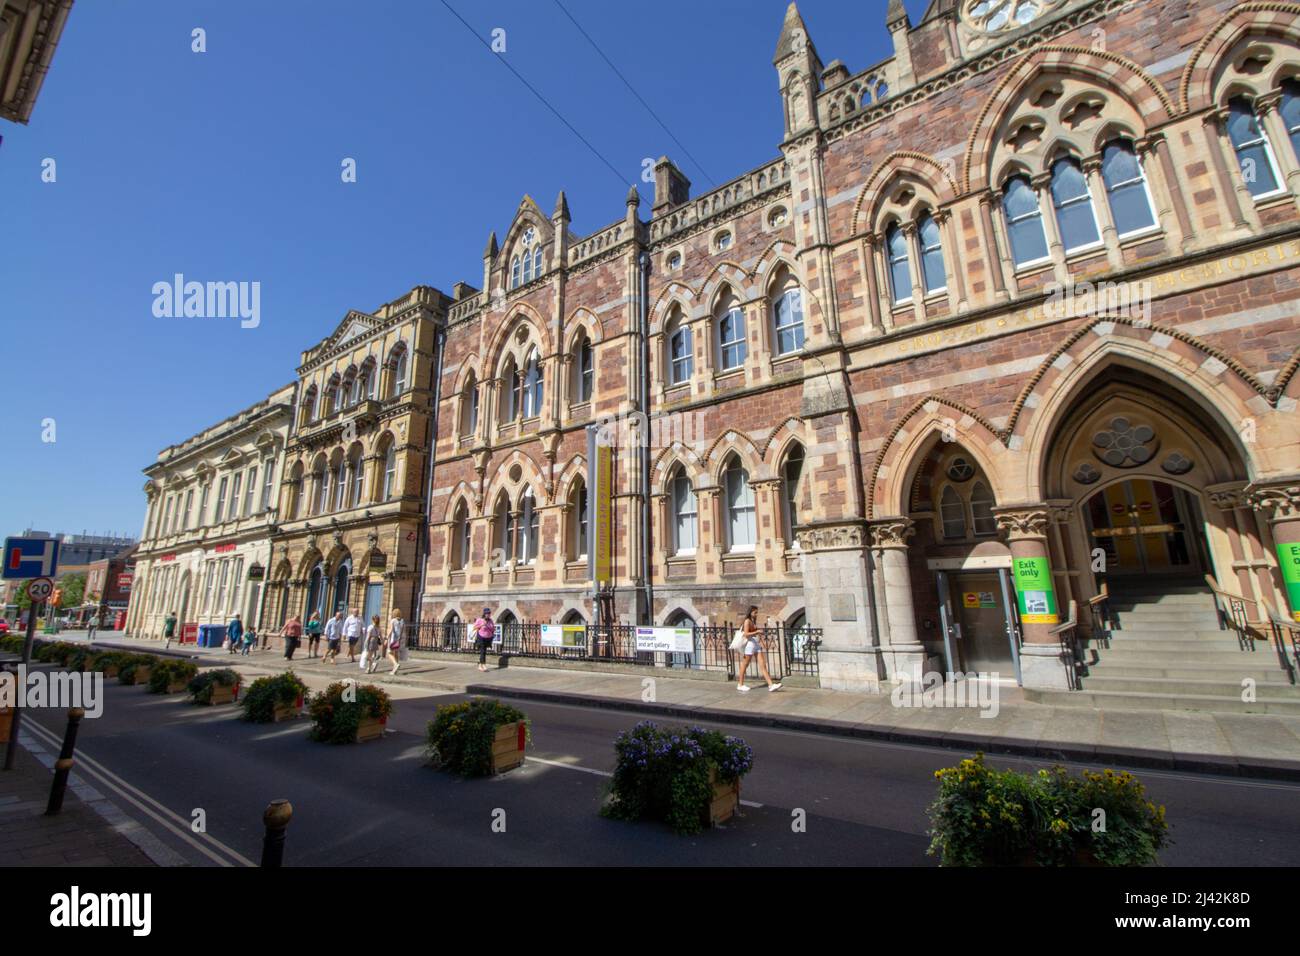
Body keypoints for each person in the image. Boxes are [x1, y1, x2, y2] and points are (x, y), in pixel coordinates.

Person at [735, 605, 781, 693]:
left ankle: (771, 685)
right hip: (749, 645)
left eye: (757, 612)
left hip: (755, 643)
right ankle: (740, 684)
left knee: (763, 665)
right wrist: (756, 631)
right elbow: (746, 634)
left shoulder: (752, 621)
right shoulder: (747, 621)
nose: (756, 614)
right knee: (745, 664)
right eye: (755, 612)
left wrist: (757, 632)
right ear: (750, 612)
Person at [470, 608, 495, 672]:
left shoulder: (490, 621)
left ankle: (480, 665)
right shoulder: (480, 620)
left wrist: (492, 628)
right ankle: (483, 664)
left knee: (484, 651)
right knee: (482, 651)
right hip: (481, 637)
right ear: (484, 614)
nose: (488, 615)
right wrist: (482, 625)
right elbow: (474, 627)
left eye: (489, 613)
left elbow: (493, 629)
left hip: (488, 638)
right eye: (487, 613)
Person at [385, 607, 405, 675]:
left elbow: (390, 630)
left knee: (389, 653)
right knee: (396, 654)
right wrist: (400, 639)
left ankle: (395, 664)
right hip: (398, 639)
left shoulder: (393, 620)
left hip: (392, 639)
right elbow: (402, 631)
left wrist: (386, 638)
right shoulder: (402, 621)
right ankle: (395, 669)